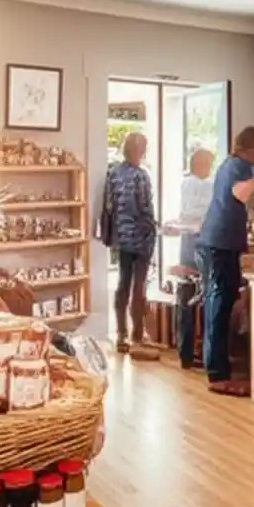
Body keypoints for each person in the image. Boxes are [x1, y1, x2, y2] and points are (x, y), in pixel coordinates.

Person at [198, 127, 254, 396]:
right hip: (219, 244)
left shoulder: (234, 165)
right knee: (218, 304)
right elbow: (240, 194)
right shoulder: (236, 166)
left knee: (222, 303)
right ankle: (217, 375)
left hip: (223, 242)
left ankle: (219, 367)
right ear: (250, 148)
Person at [101, 132, 156, 353]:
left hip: (121, 238)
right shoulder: (141, 176)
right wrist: (154, 227)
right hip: (141, 237)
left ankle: (121, 334)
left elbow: (109, 206)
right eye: (143, 148)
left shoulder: (113, 173)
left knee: (122, 284)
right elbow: (144, 207)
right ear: (138, 150)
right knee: (139, 286)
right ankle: (137, 336)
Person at [163, 148, 214, 368]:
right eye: (208, 165)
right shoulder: (205, 186)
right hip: (201, 243)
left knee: (185, 296)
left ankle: (185, 351)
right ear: (201, 165)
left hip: (186, 243)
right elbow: (208, 213)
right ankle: (205, 351)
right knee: (204, 295)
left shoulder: (185, 184)